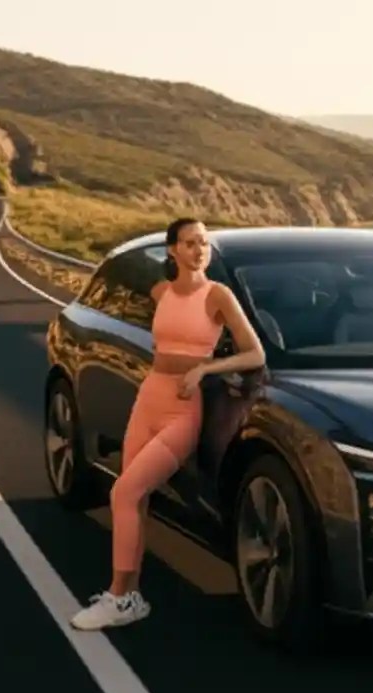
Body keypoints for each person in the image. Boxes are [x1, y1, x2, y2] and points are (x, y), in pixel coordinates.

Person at [71, 217, 266, 630]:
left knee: (124, 491)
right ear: (172, 250)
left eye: (205, 243)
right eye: (190, 243)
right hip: (149, 399)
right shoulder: (160, 291)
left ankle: (119, 597)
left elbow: (254, 354)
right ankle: (131, 595)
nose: (200, 250)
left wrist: (207, 368)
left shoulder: (219, 295)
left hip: (183, 408)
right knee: (133, 497)